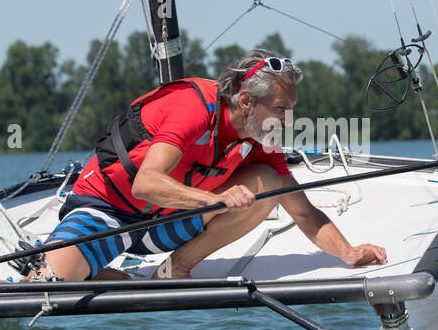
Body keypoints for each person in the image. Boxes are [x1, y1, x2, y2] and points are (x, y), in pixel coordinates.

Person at [34, 49, 387, 281]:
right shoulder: (192, 108)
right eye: (281, 108)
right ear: (246, 101)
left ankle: (174, 270)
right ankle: (90, 270)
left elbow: (303, 212)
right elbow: (146, 183)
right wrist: (212, 200)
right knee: (45, 285)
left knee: (269, 180)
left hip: (164, 224)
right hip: (106, 212)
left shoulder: (260, 137)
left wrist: (348, 252)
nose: (287, 120)